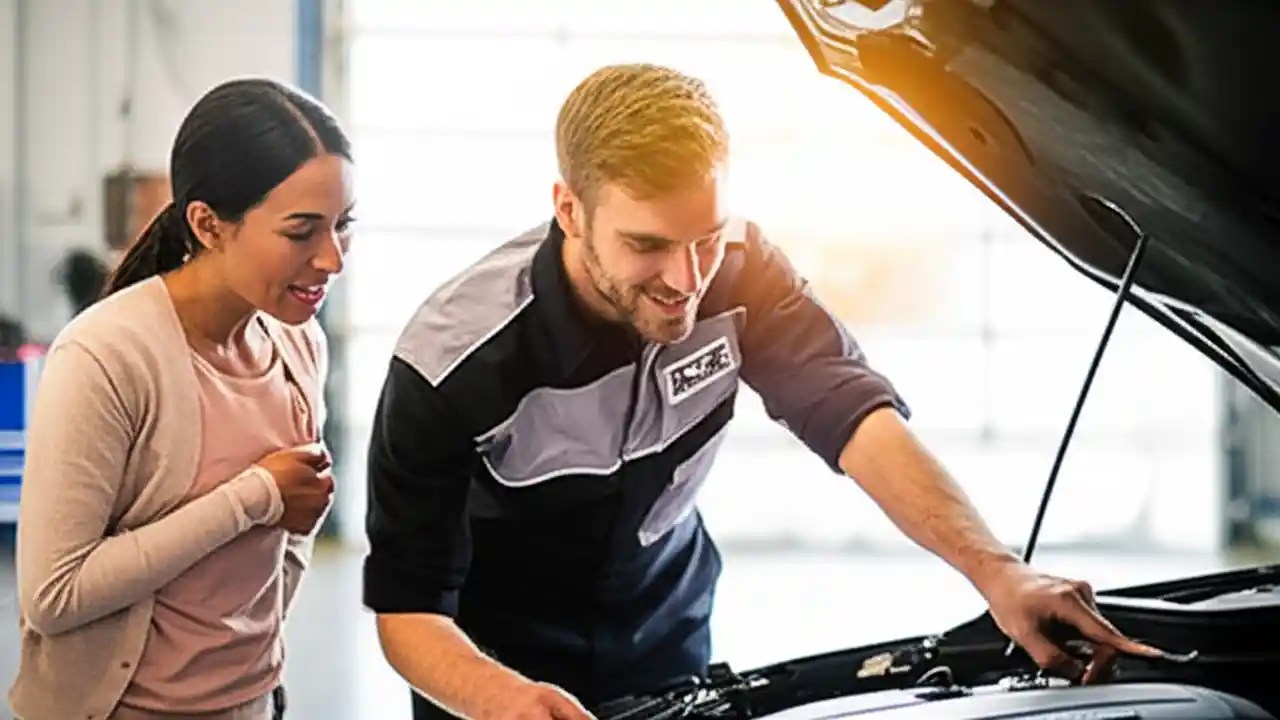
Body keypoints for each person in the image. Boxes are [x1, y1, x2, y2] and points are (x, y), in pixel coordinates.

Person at [363, 63, 1164, 719]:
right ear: (568, 211)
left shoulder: (743, 269)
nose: (687, 280)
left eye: (704, 238)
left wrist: (997, 572)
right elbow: (409, 611)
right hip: (494, 668)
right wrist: (504, 702)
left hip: (670, 638)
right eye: (648, 245)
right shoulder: (451, 364)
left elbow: (854, 416)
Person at [9, 77, 355, 720]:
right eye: (302, 231)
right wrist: (254, 497)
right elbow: (54, 594)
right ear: (207, 223)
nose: (332, 258)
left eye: (343, 225)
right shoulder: (106, 356)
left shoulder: (297, 342)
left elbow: (291, 535)